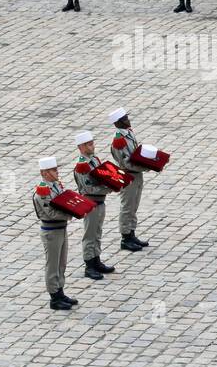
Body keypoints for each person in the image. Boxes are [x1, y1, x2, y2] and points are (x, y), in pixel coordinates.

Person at [71, 130, 117, 281]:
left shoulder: (94, 160)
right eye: (88, 144)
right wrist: (109, 188)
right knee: (90, 235)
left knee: (97, 232)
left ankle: (96, 260)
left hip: (100, 201)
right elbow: (88, 187)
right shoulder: (82, 166)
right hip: (90, 202)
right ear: (81, 147)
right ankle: (89, 265)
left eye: (92, 143)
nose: (92, 146)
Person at [33, 156, 77, 310]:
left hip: (61, 228)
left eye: (56, 169)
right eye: (52, 170)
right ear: (44, 173)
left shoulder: (56, 186)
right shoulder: (43, 191)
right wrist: (71, 214)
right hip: (51, 230)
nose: (56, 172)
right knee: (52, 265)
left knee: (61, 263)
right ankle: (54, 296)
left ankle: (60, 291)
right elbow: (50, 213)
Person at [108, 108, 150, 251]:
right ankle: (125, 237)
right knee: (127, 206)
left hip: (136, 174)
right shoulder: (119, 140)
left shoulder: (128, 133)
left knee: (134, 205)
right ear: (118, 122)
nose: (128, 119)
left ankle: (131, 233)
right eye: (125, 118)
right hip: (128, 175)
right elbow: (126, 162)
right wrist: (145, 167)